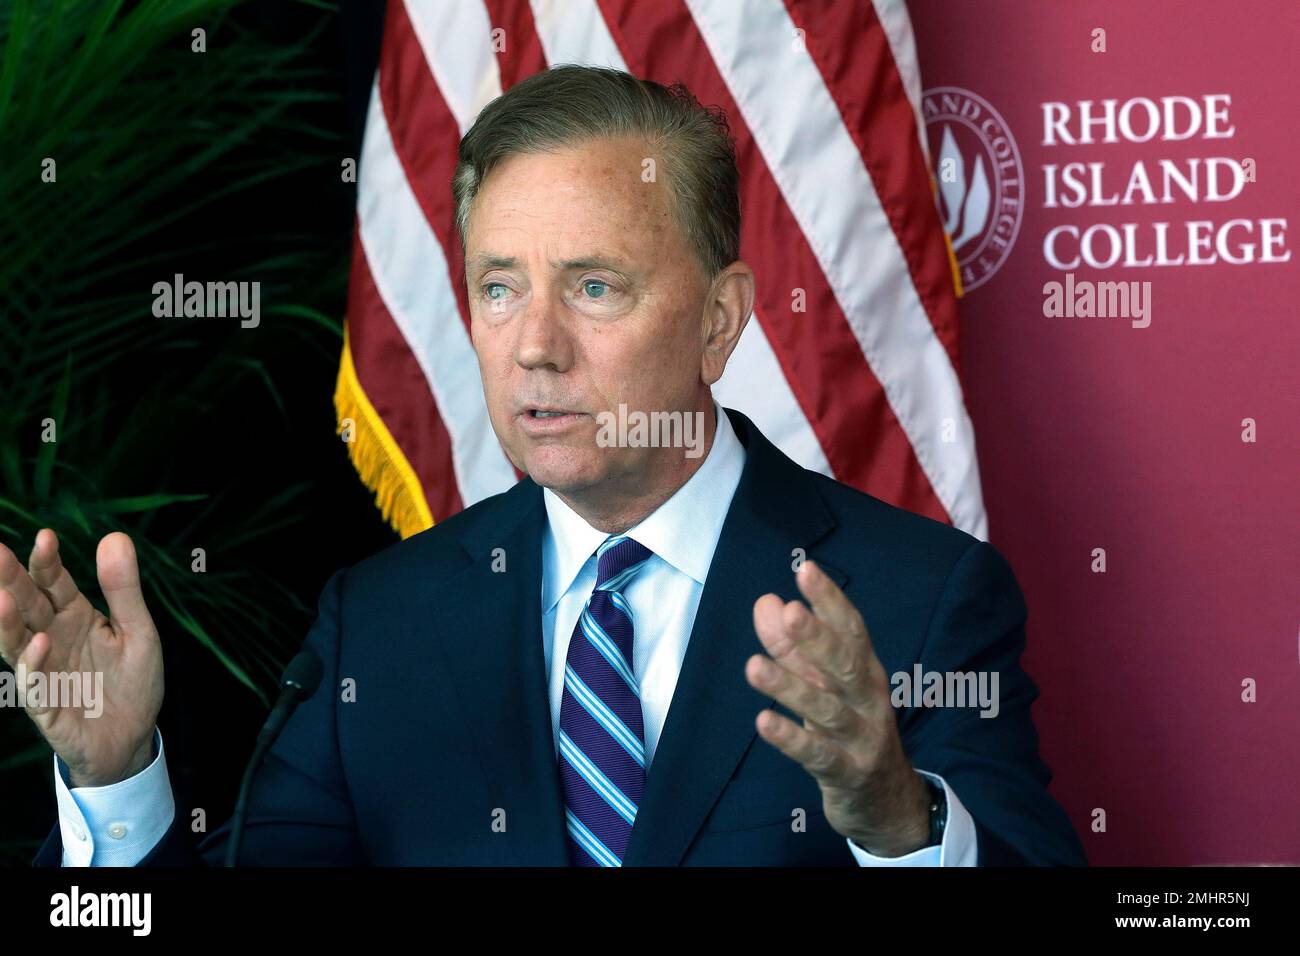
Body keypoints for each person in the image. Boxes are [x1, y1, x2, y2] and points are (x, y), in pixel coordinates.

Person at [4, 65, 1084, 866]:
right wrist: (116, 782)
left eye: (596, 286)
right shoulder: (377, 624)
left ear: (719, 322)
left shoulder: (917, 597)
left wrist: (899, 817)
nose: (534, 344)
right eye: (499, 287)